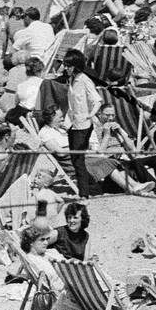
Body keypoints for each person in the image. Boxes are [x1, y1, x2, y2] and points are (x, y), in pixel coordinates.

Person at [63, 49, 102, 198]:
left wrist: (90, 115)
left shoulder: (84, 79)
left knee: (78, 160)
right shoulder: (72, 79)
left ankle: (84, 193)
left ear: (76, 66)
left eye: (69, 66)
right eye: (66, 66)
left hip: (83, 125)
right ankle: (91, 188)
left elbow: (97, 100)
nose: (66, 68)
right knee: (75, 160)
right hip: (73, 124)